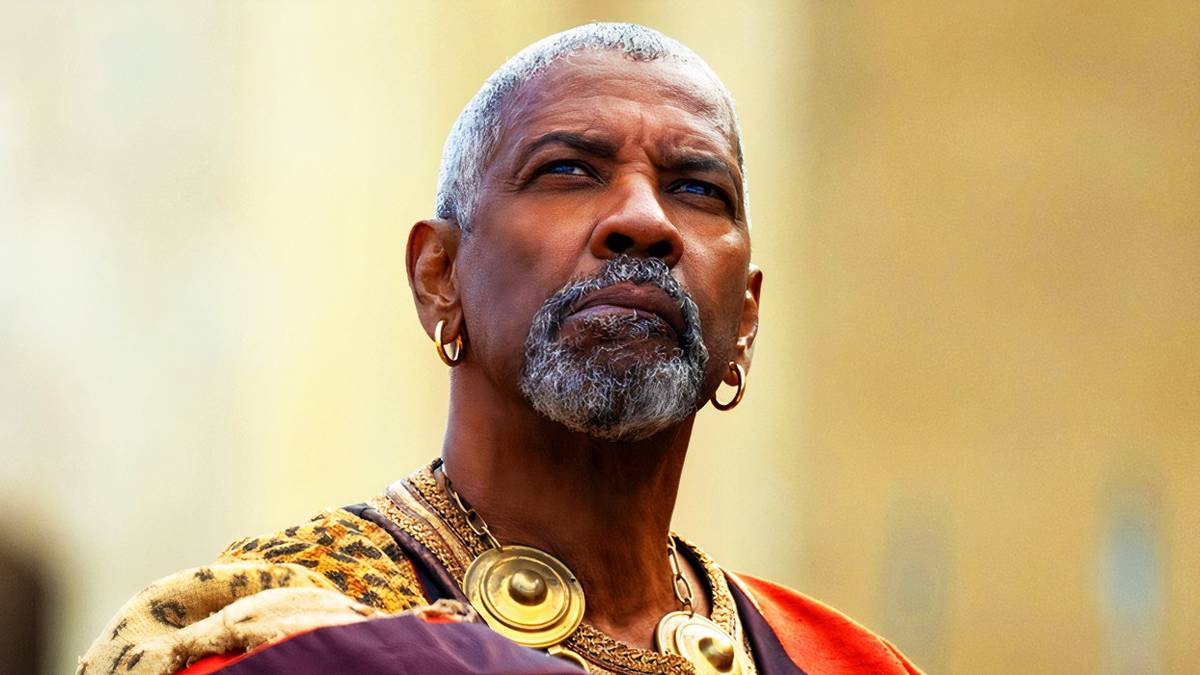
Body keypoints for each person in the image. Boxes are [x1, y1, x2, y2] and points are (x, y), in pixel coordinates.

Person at [79, 23, 921, 675]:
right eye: (568, 170)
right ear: (439, 275)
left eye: (697, 188)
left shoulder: (845, 661)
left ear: (746, 319)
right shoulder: (271, 634)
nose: (645, 220)